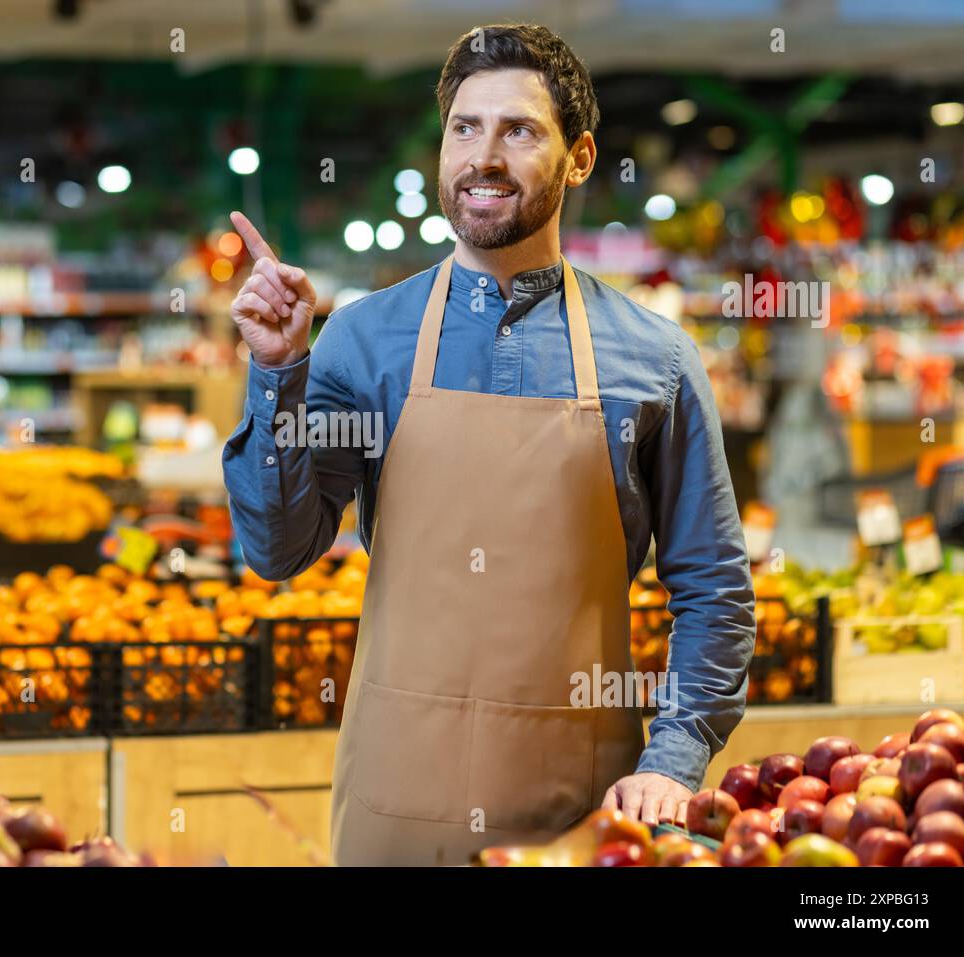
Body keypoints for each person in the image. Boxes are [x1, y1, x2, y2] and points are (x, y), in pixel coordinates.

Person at [223, 22, 755, 866]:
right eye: (465, 128)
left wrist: (675, 757)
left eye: (520, 130)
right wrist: (278, 371)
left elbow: (715, 588)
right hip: (397, 800)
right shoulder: (364, 340)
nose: (485, 156)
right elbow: (279, 549)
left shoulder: (653, 358)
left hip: (583, 817)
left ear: (579, 159)